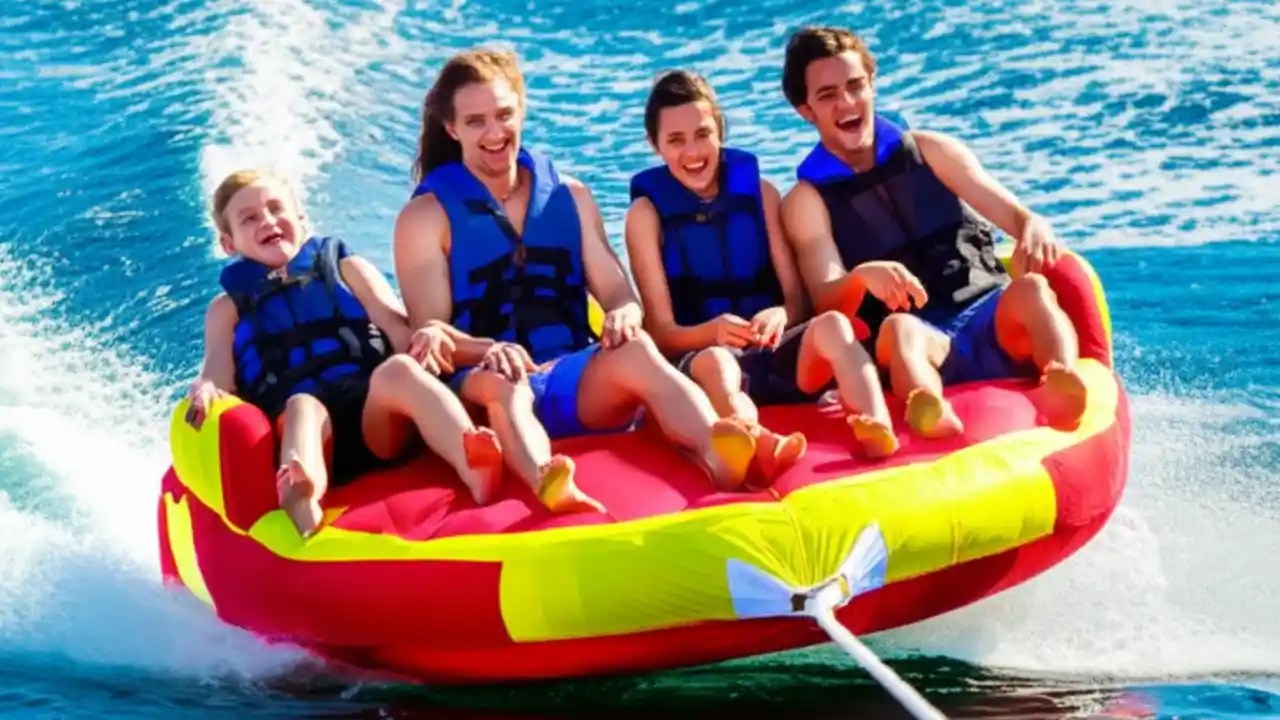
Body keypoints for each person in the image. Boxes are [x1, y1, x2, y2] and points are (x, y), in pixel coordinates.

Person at [393, 49, 768, 514]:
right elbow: (430, 335)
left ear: (522, 111)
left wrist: (625, 314)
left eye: (505, 115)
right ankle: (547, 482)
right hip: (484, 380)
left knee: (638, 350)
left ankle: (718, 450)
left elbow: (617, 292)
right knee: (504, 388)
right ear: (451, 128)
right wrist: (488, 349)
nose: (494, 134)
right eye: (475, 122)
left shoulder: (570, 196)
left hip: (569, 373)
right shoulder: (424, 218)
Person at [778, 26, 1089, 437]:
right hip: (921, 334)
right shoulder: (807, 200)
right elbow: (825, 294)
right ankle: (930, 412)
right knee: (901, 333)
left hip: (989, 313)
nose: (847, 102)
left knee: (1031, 289)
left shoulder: (931, 150)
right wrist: (862, 277)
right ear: (806, 111)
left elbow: (1016, 215)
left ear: (872, 84)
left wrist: (1034, 225)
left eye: (855, 85)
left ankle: (1062, 383)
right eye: (827, 94)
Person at [186, 169, 503, 537]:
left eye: (276, 208)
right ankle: (302, 492)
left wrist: (465, 349)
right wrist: (206, 387)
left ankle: (472, 458)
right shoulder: (227, 309)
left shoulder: (345, 268)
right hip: (316, 438)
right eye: (250, 218)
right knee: (303, 405)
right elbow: (217, 373)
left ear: (301, 217)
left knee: (398, 369)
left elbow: (401, 333)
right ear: (229, 243)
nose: (268, 221)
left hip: (375, 419)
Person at [624, 70, 897, 459]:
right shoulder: (645, 215)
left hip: (771, 350)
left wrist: (780, 314)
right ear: (655, 145)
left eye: (703, 134)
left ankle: (876, 423)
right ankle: (758, 440)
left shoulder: (762, 195)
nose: (693, 152)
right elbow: (662, 334)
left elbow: (798, 303)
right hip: (703, 361)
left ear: (720, 131)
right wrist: (712, 332)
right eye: (675, 140)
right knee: (719, 364)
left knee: (834, 326)